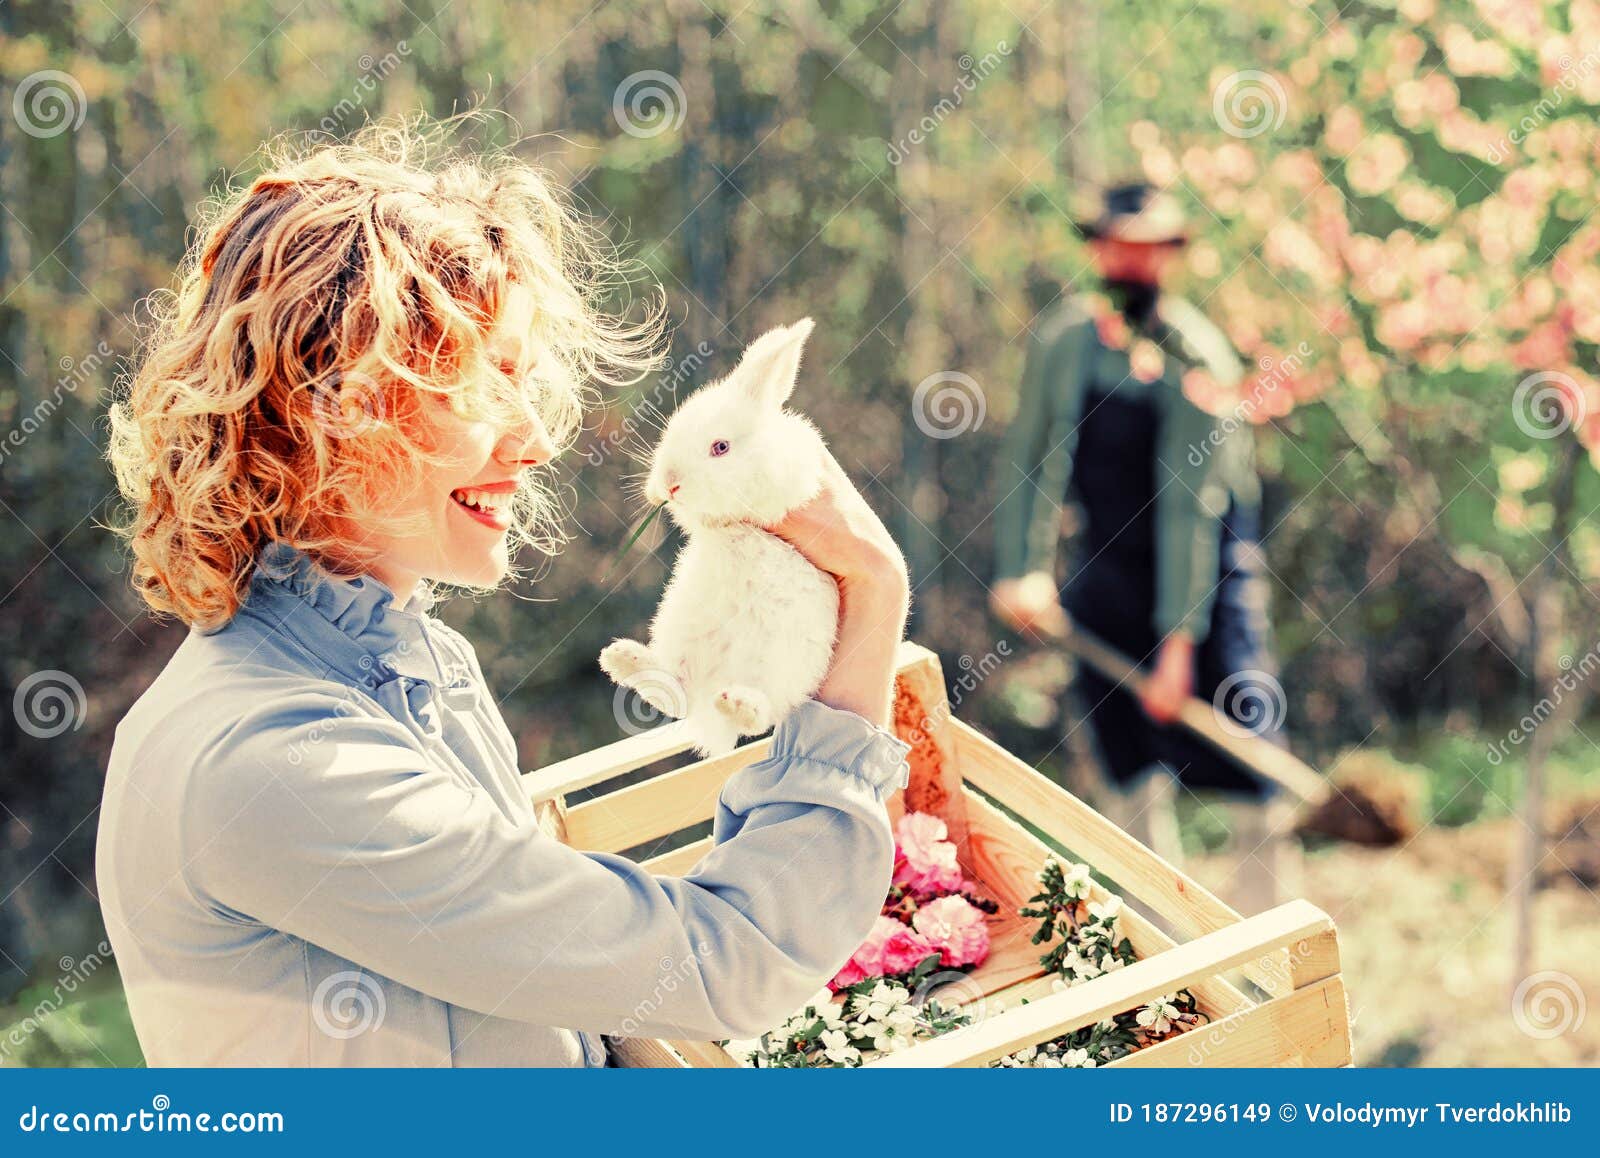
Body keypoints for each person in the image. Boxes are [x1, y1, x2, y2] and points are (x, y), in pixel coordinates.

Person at [97, 124, 913, 1066]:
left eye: (525, 379)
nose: (534, 440)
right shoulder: (275, 763)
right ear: (329, 410)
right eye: (480, 385)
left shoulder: (418, 664)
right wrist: (873, 591)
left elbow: (563, 1018)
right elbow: (725, 964)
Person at [989, 182, 1293, 913]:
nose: (1132, 262)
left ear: (1169, 258)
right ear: (1097, 249)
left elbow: (1191, 511)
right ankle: (1169, 958)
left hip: (1209, 588)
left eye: (1149, 249)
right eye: (1120, 245)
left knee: (1251, 771)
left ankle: (1278, 950)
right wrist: (1023, 570)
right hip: (1109, 573)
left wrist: (1179, 647)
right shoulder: (1065, 343)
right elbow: (1031, 459)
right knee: (1125, 770)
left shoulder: (1198, 359)